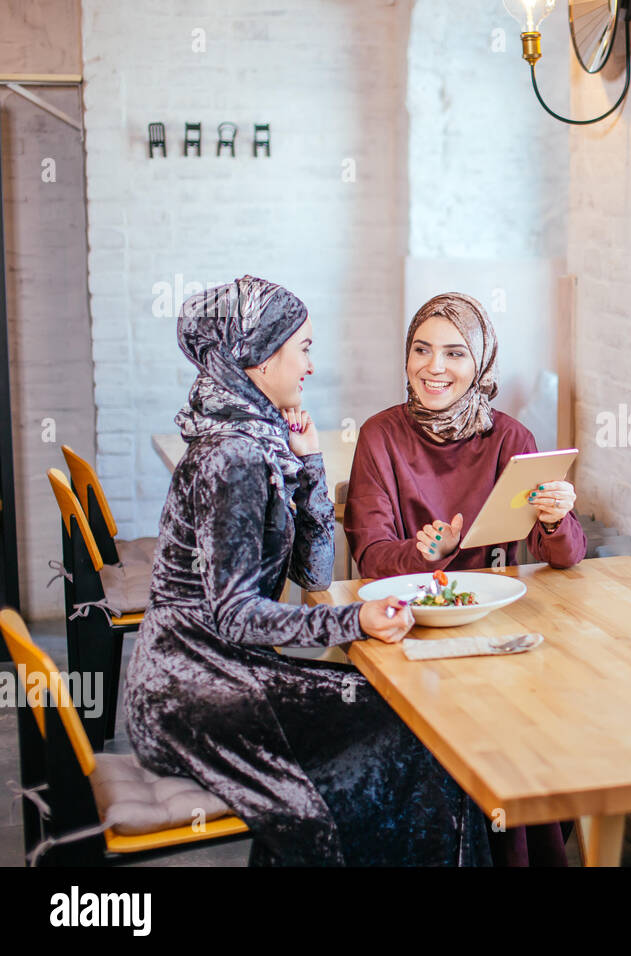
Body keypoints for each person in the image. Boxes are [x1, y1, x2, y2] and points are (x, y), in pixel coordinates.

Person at [124, 276, 491, 866]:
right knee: (418, 735)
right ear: (261, 356)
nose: (312, 366)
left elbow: (315, 573)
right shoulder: (235, 456)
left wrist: (310, 464)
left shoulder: (260, 437)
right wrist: (357, 621)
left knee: (408, 724)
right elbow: (238, 616)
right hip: (192, 688)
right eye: (305, 348)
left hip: (219, 670)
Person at [344, 292, 585, 866]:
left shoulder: (510, 439)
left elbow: (566, 557)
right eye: (421, 350)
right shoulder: (380, 436)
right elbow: (371, 558)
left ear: (481, 362)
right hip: (407, 634)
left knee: (528, 721)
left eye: (455, 353)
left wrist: (555, 516)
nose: (435, 367)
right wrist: (425, 552)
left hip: (499, 631)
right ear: (405, 358)